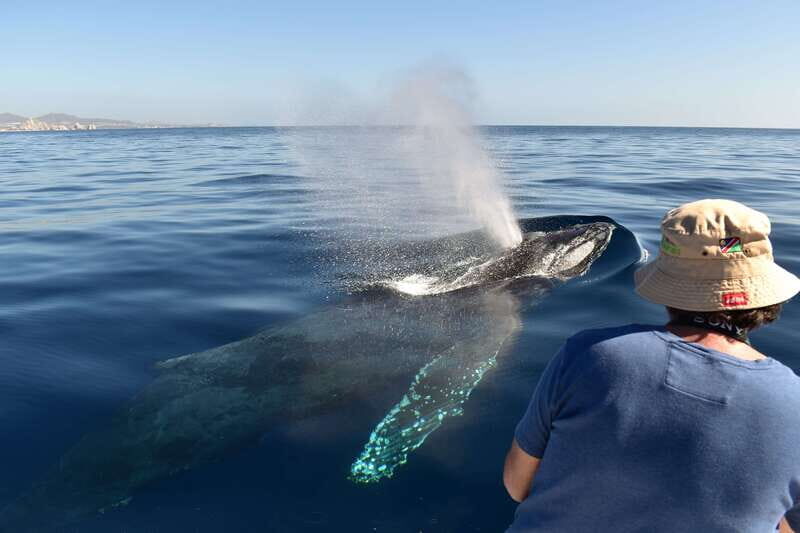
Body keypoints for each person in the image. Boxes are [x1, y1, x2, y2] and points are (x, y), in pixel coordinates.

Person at [503, 199, 800, 532]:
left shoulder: (589, 354)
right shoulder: (794, 401)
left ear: (669, 282)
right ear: (765, 293)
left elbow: (517, 486)